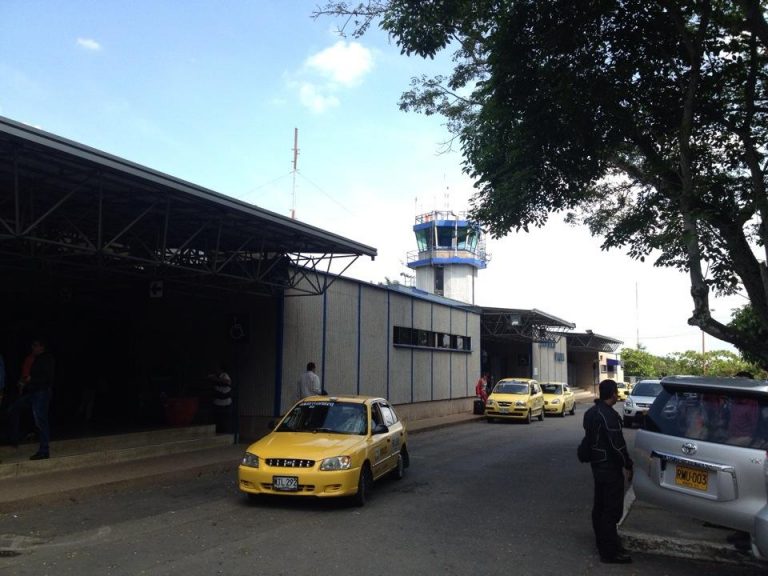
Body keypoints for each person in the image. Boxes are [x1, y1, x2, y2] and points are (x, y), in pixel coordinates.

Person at [583, 378, 633, 564]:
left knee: (600, 506)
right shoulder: (608, 415)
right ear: (613, 393)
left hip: (597, 465)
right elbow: (617, 445)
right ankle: (609, 551)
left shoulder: (591, 412)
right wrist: (627, 463)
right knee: (611, 510)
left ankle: (604, 543)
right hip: (609, 467)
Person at [7, 339, 55, 460]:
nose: (33, 347)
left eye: (35, 345)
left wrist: (30, 380)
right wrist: (25, 382)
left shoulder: (47, 359)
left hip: (41, 392)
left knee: (40, 420)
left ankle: (44, 450)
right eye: (32, 345)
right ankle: (15, 437)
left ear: (41, 347)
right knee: (14, 408)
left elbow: (47, 378)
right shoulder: (36, 359)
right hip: (33, 392)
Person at [208, 363, 233, 433]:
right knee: (217, 419)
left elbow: (227, 381)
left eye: (217, 369)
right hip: (217, 402)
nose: (215, 370)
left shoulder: (224, 375)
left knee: (225, 420)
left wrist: (216, 379)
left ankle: (225, 432)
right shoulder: (212, 376)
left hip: (226, 403)